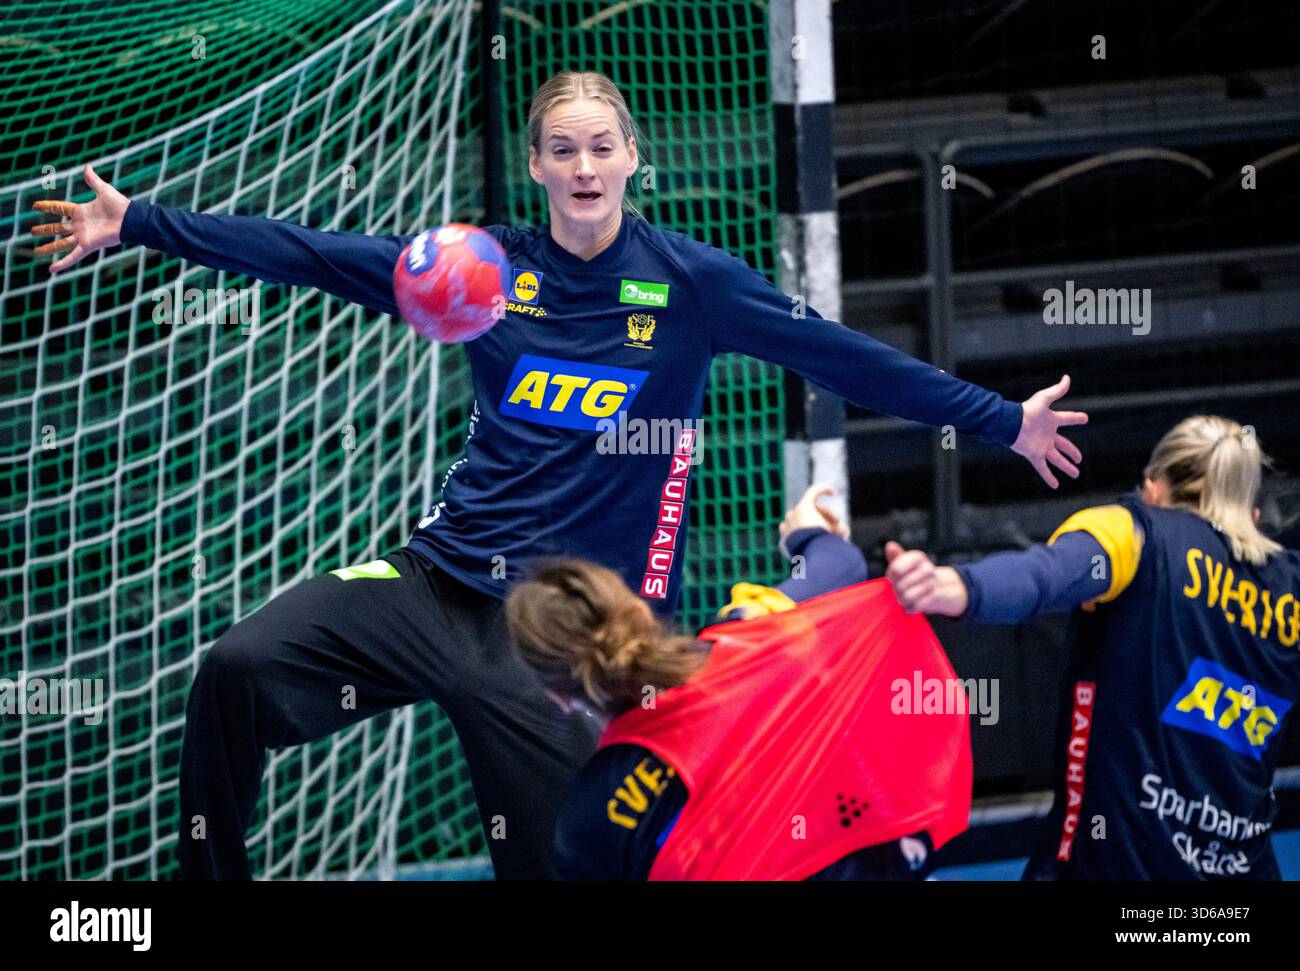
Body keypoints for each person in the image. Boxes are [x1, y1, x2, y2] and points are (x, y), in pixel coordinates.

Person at [31, 70, 1083, 881]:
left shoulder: (692, 287)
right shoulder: (480, 268)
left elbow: (850, 358)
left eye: (602, 147)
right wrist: (139, 225)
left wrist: (1002, 422)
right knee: (237, 667)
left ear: (632, 158)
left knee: (565, 856)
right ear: (537, 164)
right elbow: (312, 252)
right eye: (562, 149)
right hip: (439, 583)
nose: (584, 165)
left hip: (579, 636)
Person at [885, 415, 1300, 880]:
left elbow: (1045, 575)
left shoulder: (1135, 533)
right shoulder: (1291, 585)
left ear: (1154, 488)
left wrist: (951, 584)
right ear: (1253, 512)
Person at [507, 485, 969, 880]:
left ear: (557, 695)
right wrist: (804, 531)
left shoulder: (587, 820)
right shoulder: (748, 633)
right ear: (637, 613)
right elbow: (840, 563)